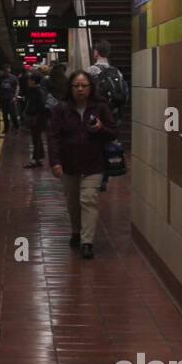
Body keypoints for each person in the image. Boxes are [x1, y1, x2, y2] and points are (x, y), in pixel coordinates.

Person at [48, 70, 118, 259]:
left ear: (90, 87)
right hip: (68, 164)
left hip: (94, 163)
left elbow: (113, 133)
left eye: (84, 86)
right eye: (76, 86)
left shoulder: (100, 107)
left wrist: (101, 128)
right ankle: (76, 231)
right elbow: (53, 137)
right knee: (72, 202)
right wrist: (55, 162)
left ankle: (87, 242)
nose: (80, 89)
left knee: (88, 199)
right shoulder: (60, 109)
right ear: (70, 88)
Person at [87, 40, 128, 191]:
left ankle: (95, 176)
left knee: (94, 144)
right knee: (108, 143)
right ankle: (105, 176)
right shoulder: (117, 71)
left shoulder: (92, 70)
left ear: (96, 52)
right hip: (114, 114)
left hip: (97, 113)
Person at [21, 69, 49, 168]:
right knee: (37, 139)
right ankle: (39, 158)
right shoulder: (36, 90)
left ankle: (35, 160)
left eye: (29, 80)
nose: (28, 82)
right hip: (37, 118)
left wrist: (31, 113)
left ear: (33, 81)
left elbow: (40, 105)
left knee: (36, 139)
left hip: (37, 119)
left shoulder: (38, 91)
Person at [0, 64, 19, 134]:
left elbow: (17, 87)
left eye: (8, 70)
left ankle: (16, 128)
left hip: (11, 99)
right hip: (3, 99)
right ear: (3, 71)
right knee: (4, 115)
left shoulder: (13, 77)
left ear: (10, 69)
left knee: (13, 114)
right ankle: (6, 128)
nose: (6, 71)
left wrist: (15, 96)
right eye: (5, 70)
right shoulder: (0, 78)